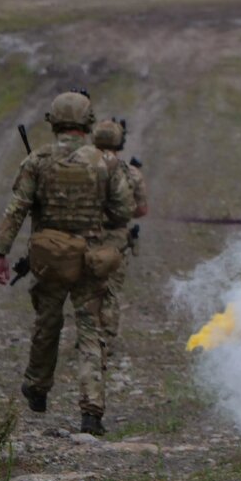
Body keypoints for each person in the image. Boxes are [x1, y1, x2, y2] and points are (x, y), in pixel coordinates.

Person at [0, 91, 135, 436]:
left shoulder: (37, 161)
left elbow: (17, 209)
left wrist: (1, 252)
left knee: (47, 322)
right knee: (90, 331)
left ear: (53, 121)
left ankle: (38, 388)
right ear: (87, 123)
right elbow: (123, 212)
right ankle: (92, 410)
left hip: (50, 260)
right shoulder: (105, 163)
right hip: (89, 259)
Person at [92, 118, 148, 364]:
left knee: (87, 288)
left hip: (86, 236)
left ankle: (87, 334)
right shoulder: (131, 172)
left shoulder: (81, 166)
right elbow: (142, 210)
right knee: (111, 290)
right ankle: (105, 338)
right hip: (115, 239)